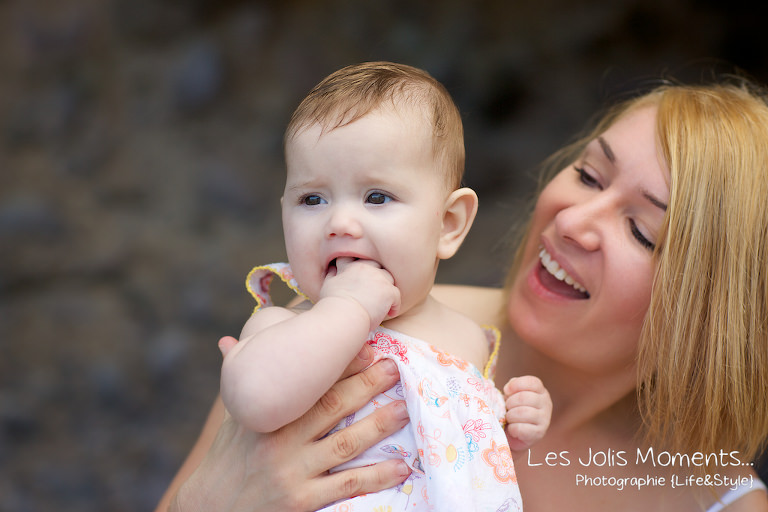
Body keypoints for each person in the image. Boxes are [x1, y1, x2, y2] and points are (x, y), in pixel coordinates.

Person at [155, 76, 768, 511]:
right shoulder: (331, 332)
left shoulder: (713, 496)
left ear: (716, 309)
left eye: (641, 231)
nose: (572, 221)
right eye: (587, 175)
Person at [217, 61, 551, 511]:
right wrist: (349, 307)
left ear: (448, 224)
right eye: (312, 199)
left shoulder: (470, 340)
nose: (339, 222)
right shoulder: (283, 327)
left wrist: (514, 424)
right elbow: (256, 401)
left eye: (377, 197)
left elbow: (463, 463)